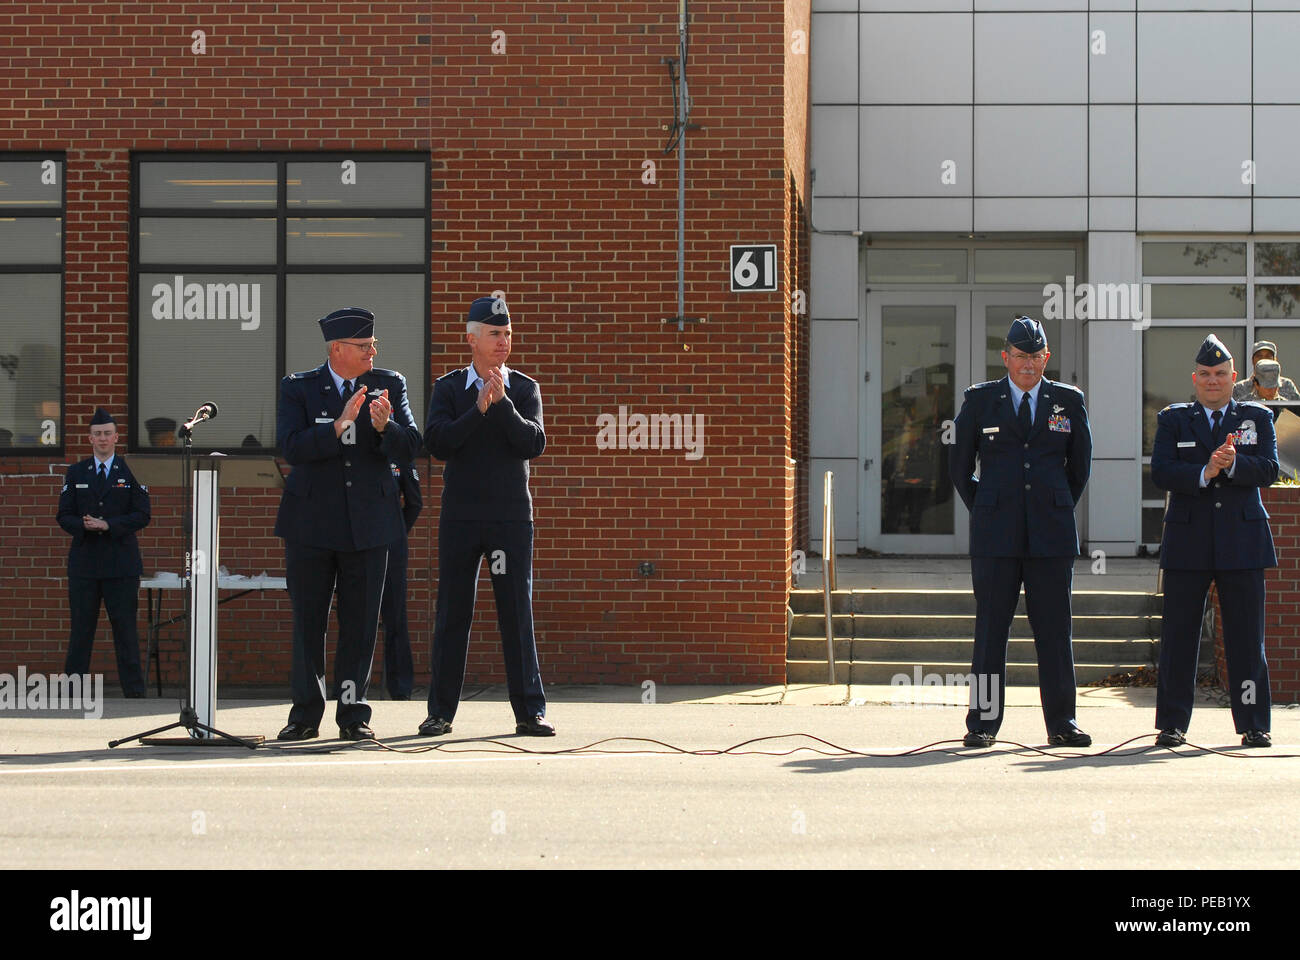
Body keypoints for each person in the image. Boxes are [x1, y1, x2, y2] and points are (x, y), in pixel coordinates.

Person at [274, 307, 421, 741]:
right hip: (311, 525)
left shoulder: (389, 384)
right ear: (337, 349)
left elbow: (412, 445)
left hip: (369, 525)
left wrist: (385, 427)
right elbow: (291, 447)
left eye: (373, 344)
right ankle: (304, 715)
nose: (372, 351)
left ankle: (353, 715)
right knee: (308, 623)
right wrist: (336, 428)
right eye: (363, 346)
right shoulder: (299, 388)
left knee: (360, 625)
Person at [949, 316, 1093, 748]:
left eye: (1035, 356)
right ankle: (983, 724)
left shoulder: (1067, 401)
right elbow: (959, 469)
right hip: (996, 536)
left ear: (1046, 357)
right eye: (1020, 355)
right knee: (991, 629)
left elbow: (1079, 469)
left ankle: (1062, 724)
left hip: (1051, 535)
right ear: (1005, 357)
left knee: (1054, 630)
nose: (1028, 364)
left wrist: (1052, 506)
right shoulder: (980, 401)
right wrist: (988, 507)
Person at [419, 295, 552, 737]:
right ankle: (440, 712)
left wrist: (502, 406)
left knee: (516, 612)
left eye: (508, 334)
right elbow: (438, 443)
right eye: (495, 334)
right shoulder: (450, 388)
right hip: (461, 518)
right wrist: (477, 409)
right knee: (452, 613)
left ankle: (529, 711)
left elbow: (533, 443)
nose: (503, 342)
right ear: (472, 339)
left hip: (510, 519)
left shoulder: (525, 388)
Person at [1151, 335, 1275, 749]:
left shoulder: (1256, 418)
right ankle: (1172, 725)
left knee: (1245, 640)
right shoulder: (1174, 419)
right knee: (1179, 639)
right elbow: (1163, 472)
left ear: (1234, 377)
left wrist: (1235, 464)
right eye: (1205, 374)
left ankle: (1253, 724)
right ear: (1195, 378)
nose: (1212, 381)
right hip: (1188, 542)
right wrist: (1204, 471)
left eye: (1220, 374)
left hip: (1242, 542)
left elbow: (1270, 469)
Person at [56, 408, 150, 696]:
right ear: (90, 438)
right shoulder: (76, 472)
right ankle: (72, 694)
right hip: (85, 564)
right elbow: (63, 514)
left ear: (116, 437)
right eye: (97, 434)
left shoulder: (131, 471)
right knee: (81, 630)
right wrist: (85, 526)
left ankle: (134, 694)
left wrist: (108, 524)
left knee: (125, 631)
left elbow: (142, 514)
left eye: (107, 433)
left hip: (121, 564)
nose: (103, 438)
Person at [379, 458, 422, 699]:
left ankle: (400, 689)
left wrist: (395, 532)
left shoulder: (399, 453)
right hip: (356, 546)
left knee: (395, 617)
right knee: (354, 620)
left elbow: (414, 503)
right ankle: (347, 690)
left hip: (391, 546)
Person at [1233, 340, 1300, 401]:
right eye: (1259, 356)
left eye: (1268, 356)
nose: (1263, 359)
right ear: (1252, 360)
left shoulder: (1287, 385)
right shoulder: (1239, 388)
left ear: (1275, 359)